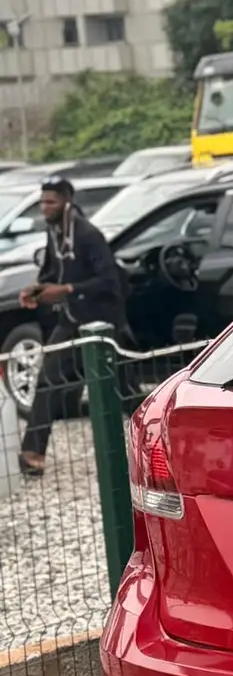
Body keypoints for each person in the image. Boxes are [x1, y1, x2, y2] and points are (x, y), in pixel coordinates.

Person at [16, 177, 125, 478]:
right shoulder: (54, 232)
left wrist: (66, 289)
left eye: (50, 202)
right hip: (71, 320)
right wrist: (35, 290)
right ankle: (33, 453)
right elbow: (51, 270)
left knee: (114, 389)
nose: (44, 207)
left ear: (66, 201)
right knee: (48, 379)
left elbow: (108, 281)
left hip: (102, 324)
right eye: (42, 202)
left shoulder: (89, 235)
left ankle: (123, 458)